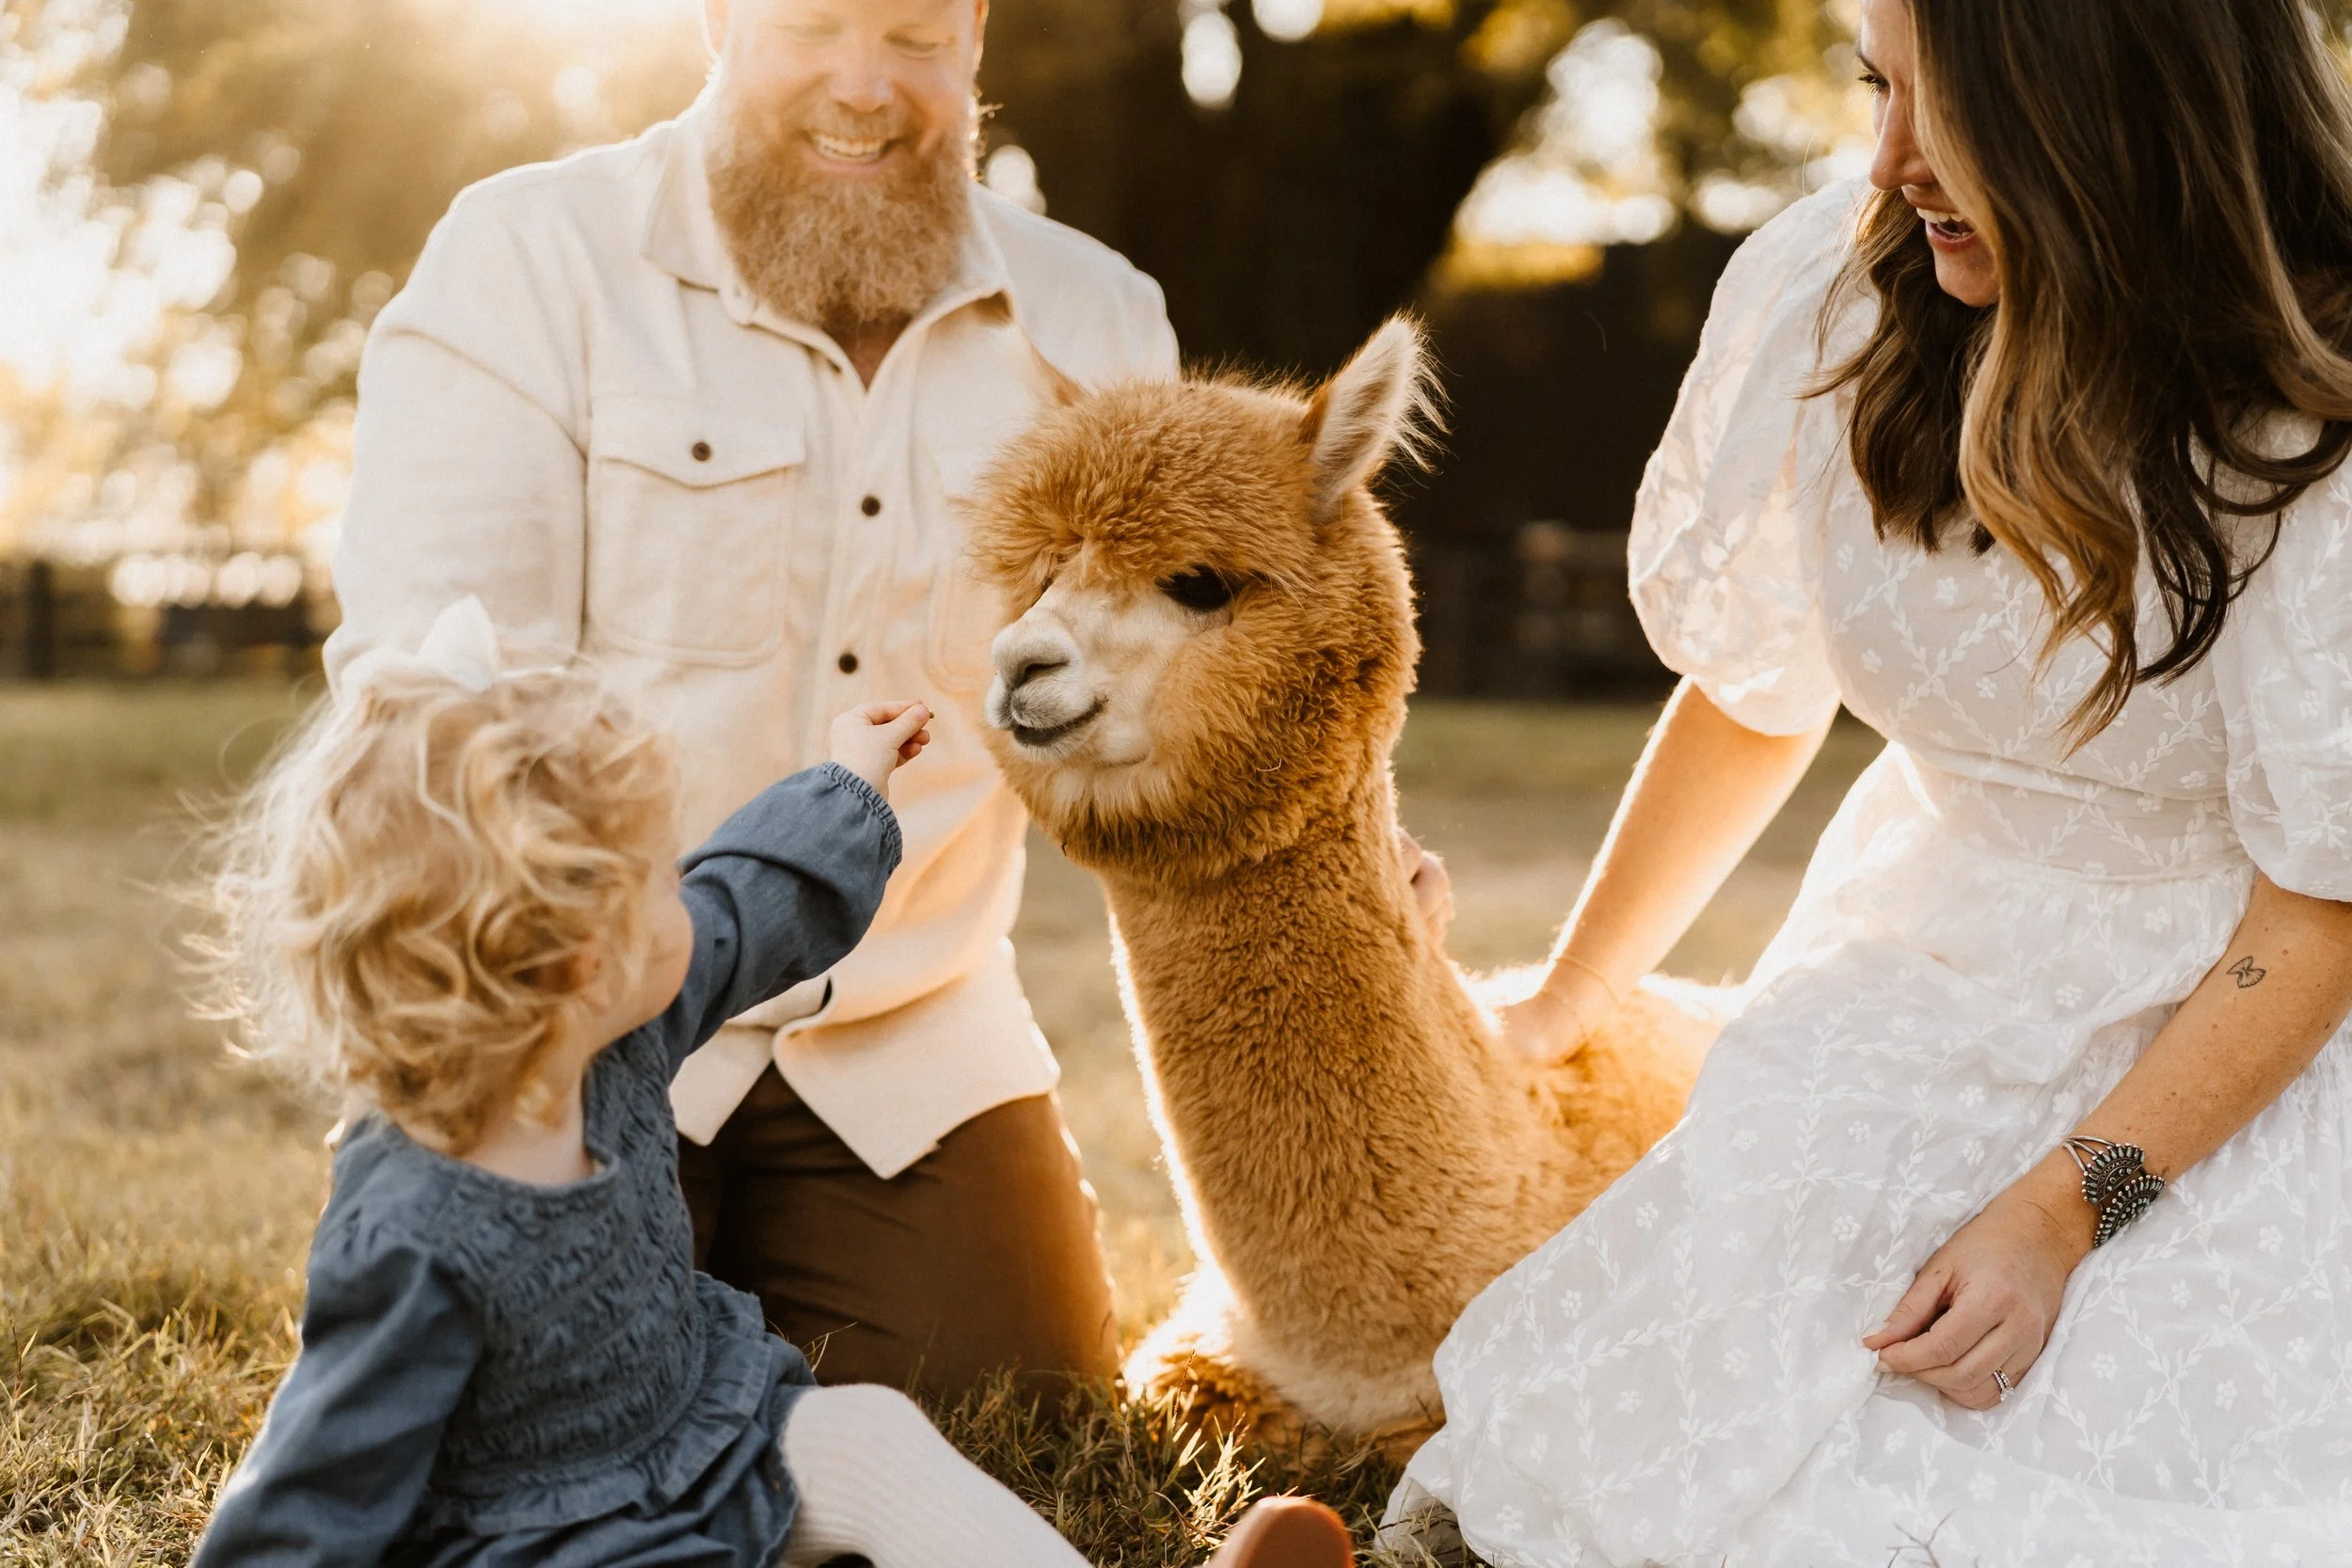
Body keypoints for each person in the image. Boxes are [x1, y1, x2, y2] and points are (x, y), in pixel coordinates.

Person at [1382, 0, 2352, 1562]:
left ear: (2123, 96)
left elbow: (2319, 915)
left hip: (2244, 1027)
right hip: (1909, 977)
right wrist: (1566, 994)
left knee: (2064, 1455)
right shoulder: (1832, 303)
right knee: (1676, 1428)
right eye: (1873, 87)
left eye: (1950, 105)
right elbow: (1760, 694)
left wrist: (2059, 1211)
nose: (1892, 164)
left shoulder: (2321, 421)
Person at [322, 0, 1181, 1396]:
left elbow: (1181, 698)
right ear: (717, 18)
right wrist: (543, 1060)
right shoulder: (529, 260)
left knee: (1022, 1415)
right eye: (815, 23)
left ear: (974, 29)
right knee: (520, 1428)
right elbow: (438, 700)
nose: (864, 85)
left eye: (912, 33)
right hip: (576, 1010)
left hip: (913, 1031)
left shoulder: (1099, 321)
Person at [188, 598, 1356, 1568]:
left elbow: (746, 904)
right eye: (653, 875)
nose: (680, 894)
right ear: (571, 956)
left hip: (721, 1431)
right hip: (569, 1541)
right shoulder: (411, 1226)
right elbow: (318, 1481)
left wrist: (848, 783)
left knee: (869, 1438)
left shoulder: (612, 1031)